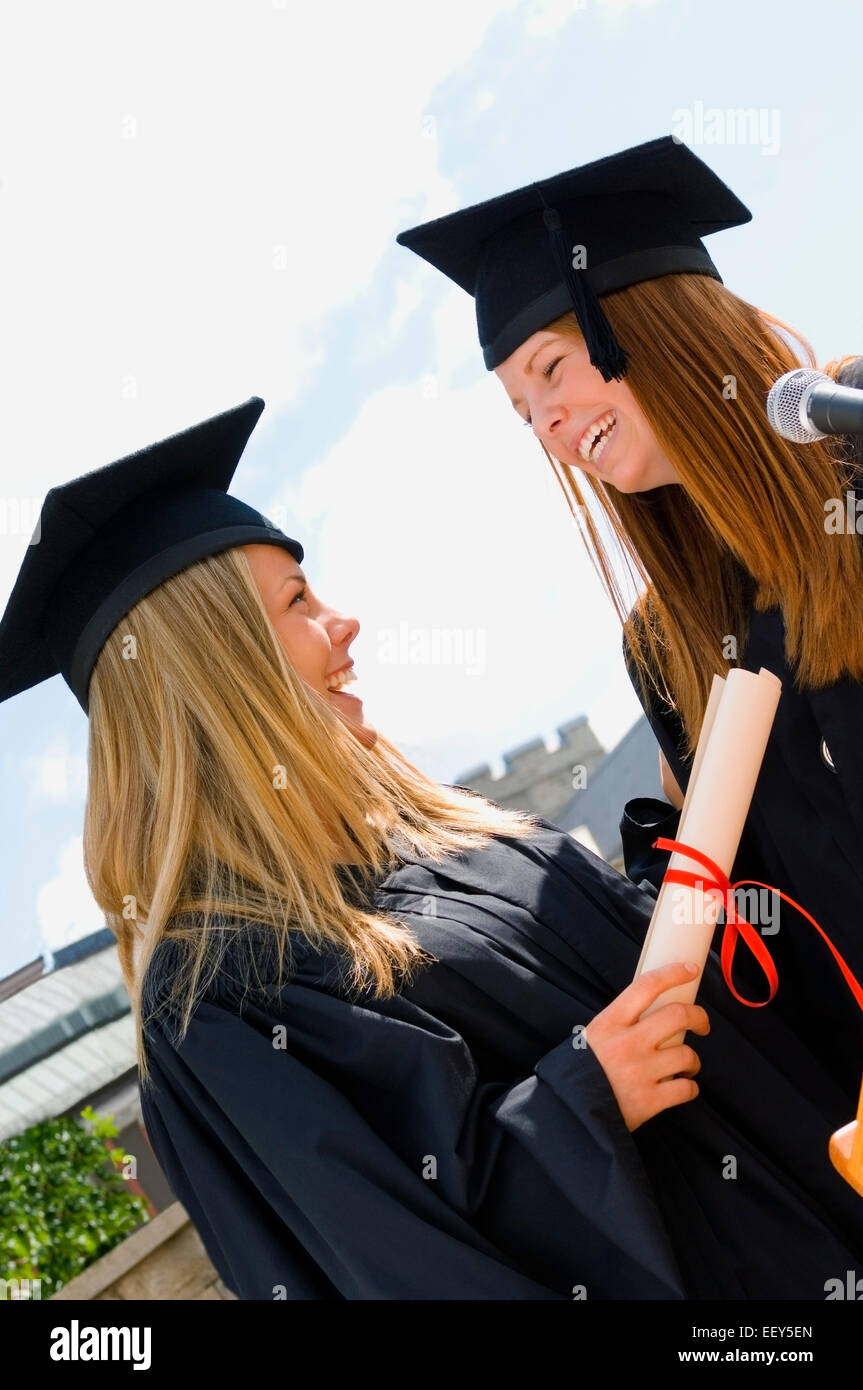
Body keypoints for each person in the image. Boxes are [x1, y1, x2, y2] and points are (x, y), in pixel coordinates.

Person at [1, 397, 861, 1302]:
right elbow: (391, 1261)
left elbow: (644, 966)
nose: (344, 625)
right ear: (221, 673)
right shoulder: (220, 999)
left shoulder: (450, 839)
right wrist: (583, 1096)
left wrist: (693, 814)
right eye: (301, 603)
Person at [396, 134, 863, 1109]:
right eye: (524, 412)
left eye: (552, 370)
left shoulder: (851, 436)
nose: (548, 426)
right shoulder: (669, 645)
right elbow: (758, 919)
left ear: (639, 319)